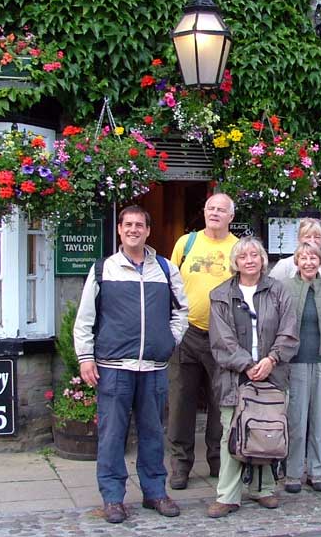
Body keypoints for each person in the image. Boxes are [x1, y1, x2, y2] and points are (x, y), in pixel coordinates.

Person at [73, 206, 189, 524]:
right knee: (112, 435)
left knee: (153, 433)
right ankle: (113, 498)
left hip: (152, 368)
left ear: (148, 231)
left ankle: (155, 492)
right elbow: (85, 318)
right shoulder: (103, 270)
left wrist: (169, 341)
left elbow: (181, 312)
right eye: (128, 225)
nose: (134, 229)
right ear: (120, 230)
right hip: (113, 367)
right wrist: (85, 358)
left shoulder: (165, 270)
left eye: (140, 225)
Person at [206, 237, 299, 518]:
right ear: (235, 262)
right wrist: (247, 365)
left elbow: (289, 330)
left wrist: (271, 360)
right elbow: (222, 340)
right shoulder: (221, 294)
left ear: (262, 259)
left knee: (266, 429)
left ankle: (264, 488)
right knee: (232, 433)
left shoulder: (279, 291)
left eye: (254, 255)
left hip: (273, 373)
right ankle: (228, 495)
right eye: (243, 256)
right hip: (235, 376)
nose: (249, 260)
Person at [167, 193, 238, 490]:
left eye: (222, 209)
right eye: (211, 208)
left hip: (224, 338)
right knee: (180, 403)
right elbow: (169, 283)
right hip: (187, 333)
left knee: (220, 403)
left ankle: (217, 461)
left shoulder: (238, 248)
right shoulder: (187, 243)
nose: (215, 213)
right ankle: (180, 465)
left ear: (231, 216)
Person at [283, 242, 321, 494]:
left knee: (319, 419)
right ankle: (293, 472)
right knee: (296, 419)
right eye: (303, 258)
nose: (308, 263)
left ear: (320, 261)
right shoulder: (285, 288)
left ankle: (317, 470)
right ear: (297, 261)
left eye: (313, 258)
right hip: (296, 361)